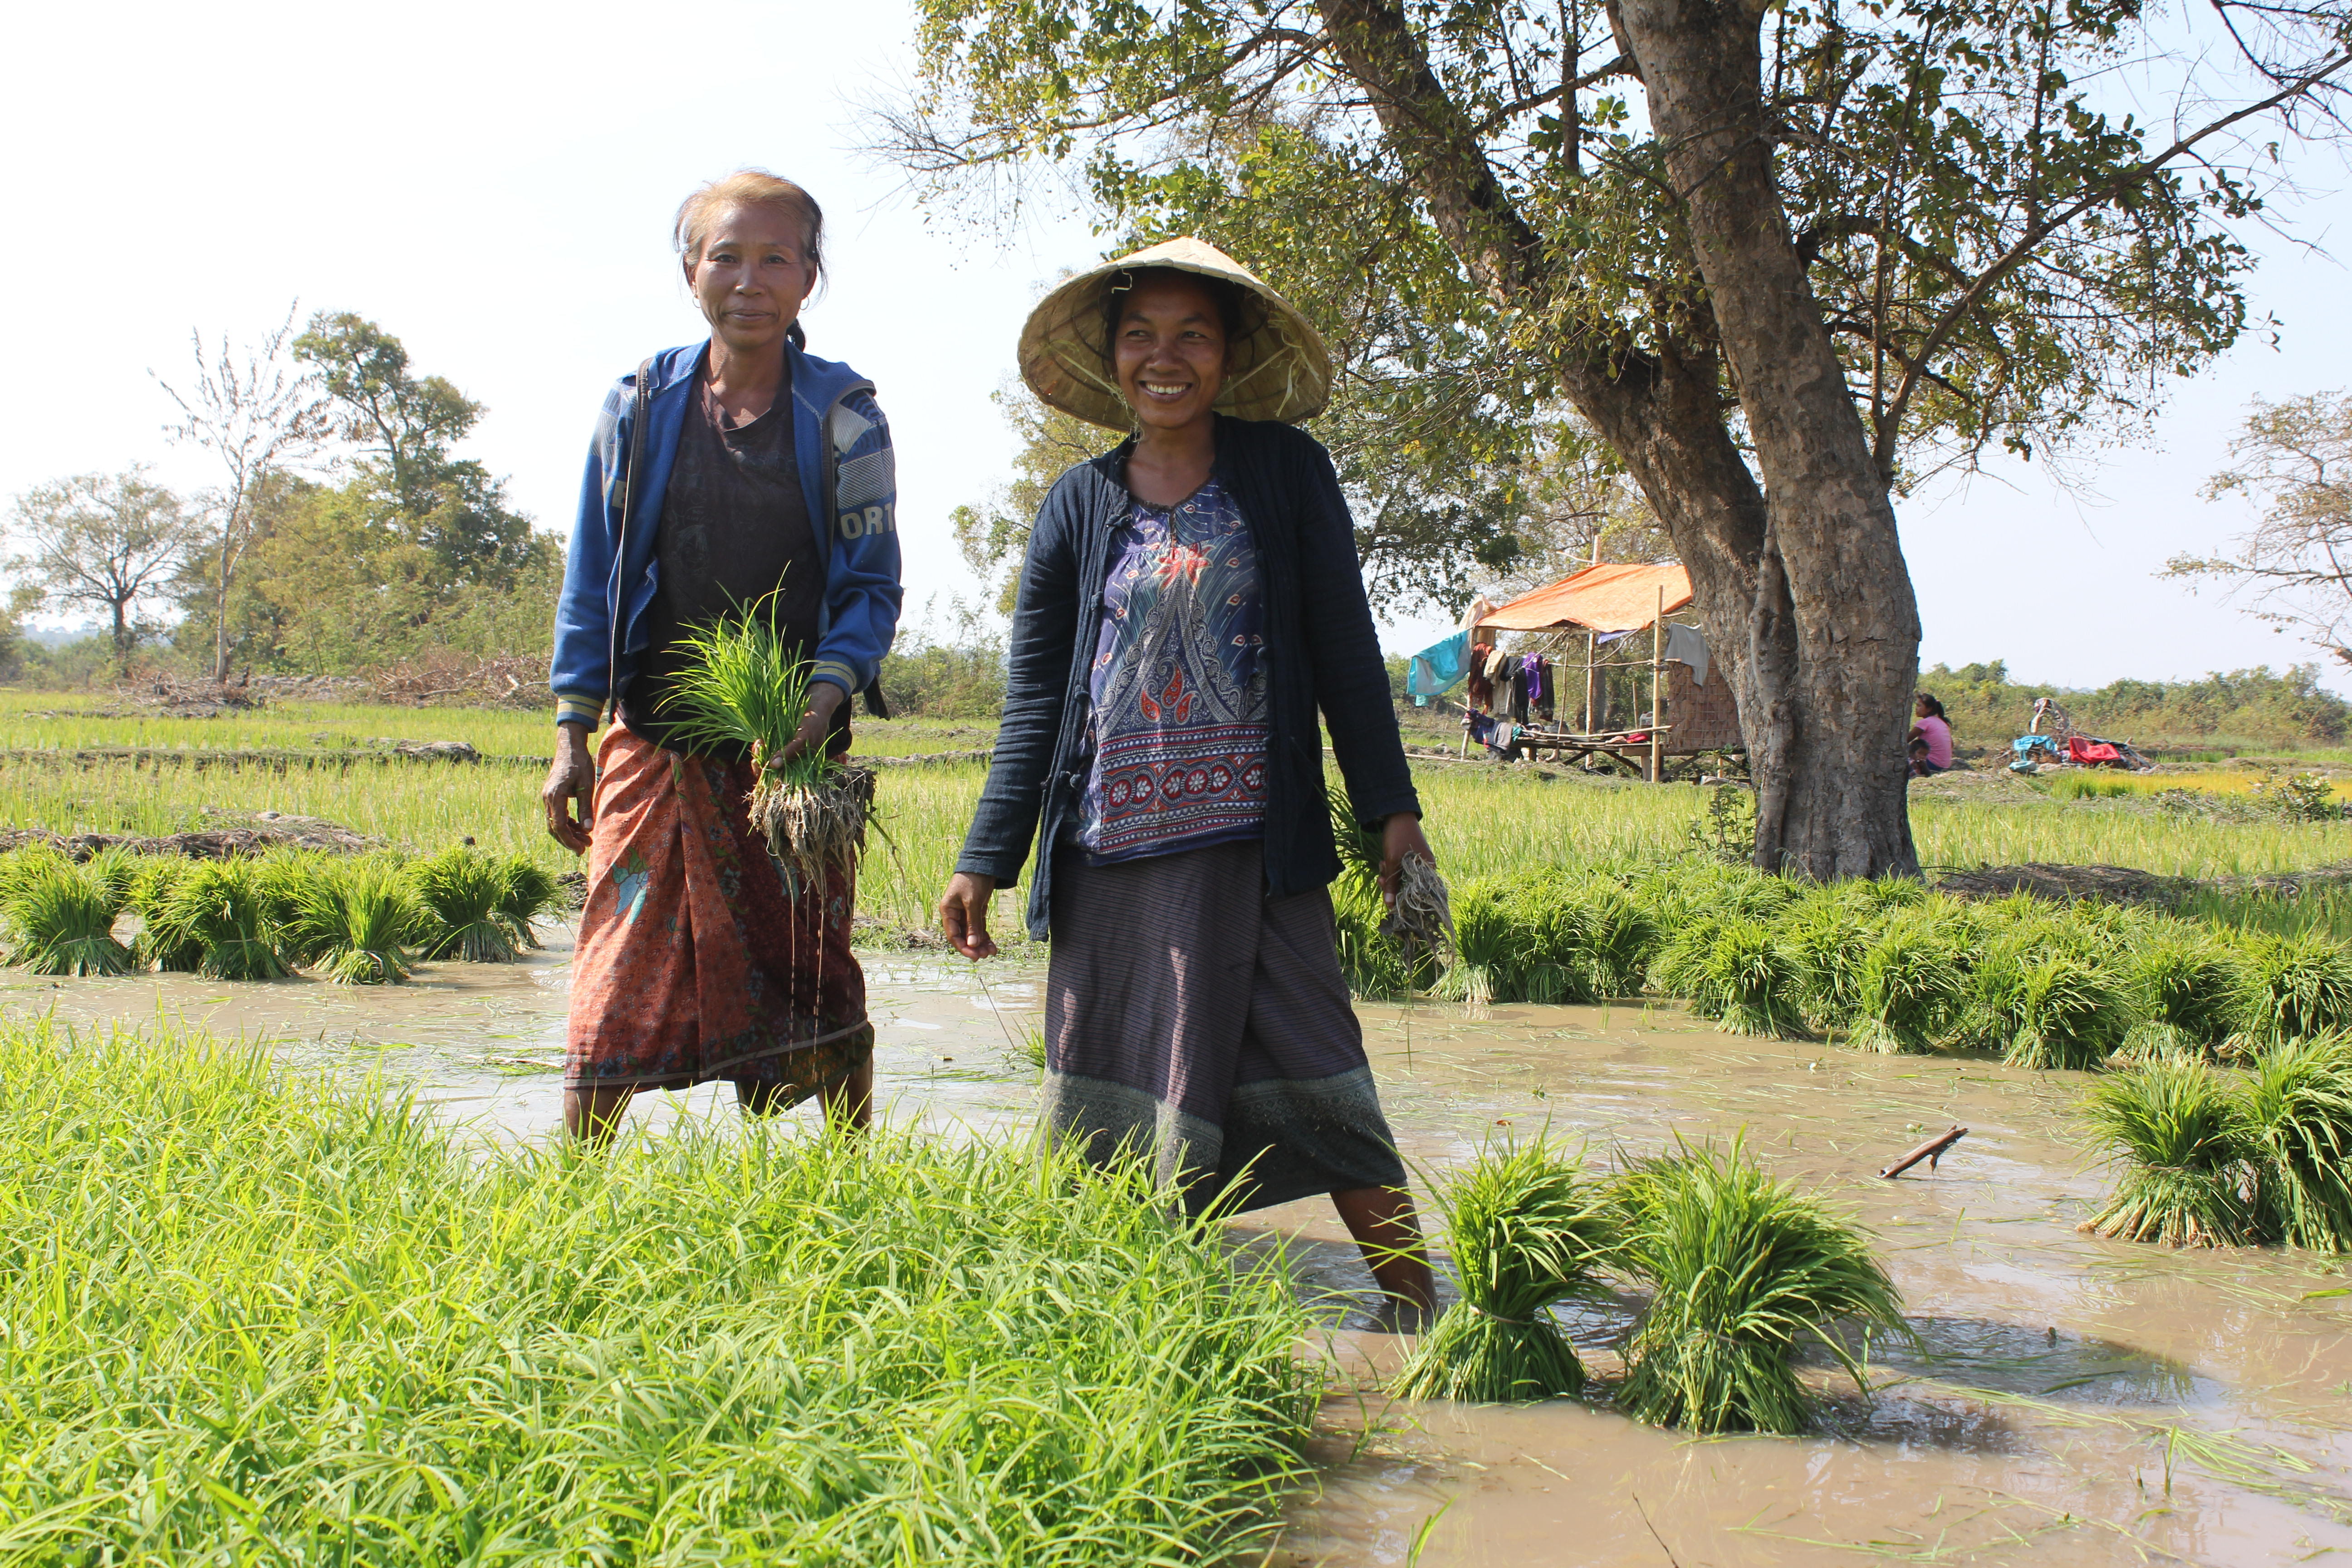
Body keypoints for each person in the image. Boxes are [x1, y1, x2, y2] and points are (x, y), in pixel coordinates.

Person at [936, 238, 1438, 1326]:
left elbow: (1346, 656)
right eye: (1140, 335)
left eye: (1192, 334)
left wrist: (1392, 819)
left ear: (1228, 354)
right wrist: (986, 857)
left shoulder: (1285, 473)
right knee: (1115, 1096)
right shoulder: (1074, 506)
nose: (1164, 358)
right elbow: (1035, 700)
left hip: (1257, 853)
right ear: (1112, 357)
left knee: (1319, 1068)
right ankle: (1127, 1325)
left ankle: (1421, 1310)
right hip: (1109, 853)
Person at [543, 171, 902, 1142]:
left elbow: (872, 587)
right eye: (727, 257)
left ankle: (849, 1183)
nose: (751, 280)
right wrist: (573, 730)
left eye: (776, 258)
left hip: (794, 750)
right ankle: (573, 1192)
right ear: (690, 272)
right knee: (615, 963)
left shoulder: (849, 420)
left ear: (810, 277)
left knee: (811, 959)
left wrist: (821, 704)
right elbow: (593, 574)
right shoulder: (637, 411)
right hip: (651, 737)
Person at [1908, 692, 1953, 776]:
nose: (1916, 709)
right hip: (1945, 765)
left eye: (1920, 706)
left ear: (1929, 709)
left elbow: (1906, 740)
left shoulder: (1925, 723)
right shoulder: (1941, 722)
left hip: (1931, 764)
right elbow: (1952, 744)